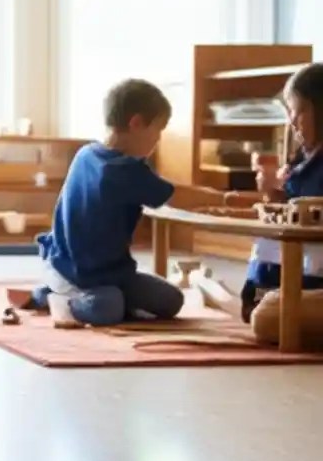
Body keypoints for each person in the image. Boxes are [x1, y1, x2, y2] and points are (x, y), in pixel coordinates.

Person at [29, 78, 231, 327]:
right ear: (136, 123)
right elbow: (176, 195)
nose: (157, 141)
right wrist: (223, 197)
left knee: (171, 300)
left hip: (113, 272)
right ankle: (54, 297)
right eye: (157, 131)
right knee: (107, 308)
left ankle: (106, 299)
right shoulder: (120, 170)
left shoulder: (87, 152)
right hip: (74, 271)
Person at [239, 64, 323, 323]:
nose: (293, 120)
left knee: (268, 320)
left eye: (300, 110)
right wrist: (273, 191)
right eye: (290, 112)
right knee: (260, 312)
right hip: (289, 264)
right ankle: (265, 299)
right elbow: (288, 206)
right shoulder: (303, 160)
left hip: (314, 268)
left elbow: (308, 207)